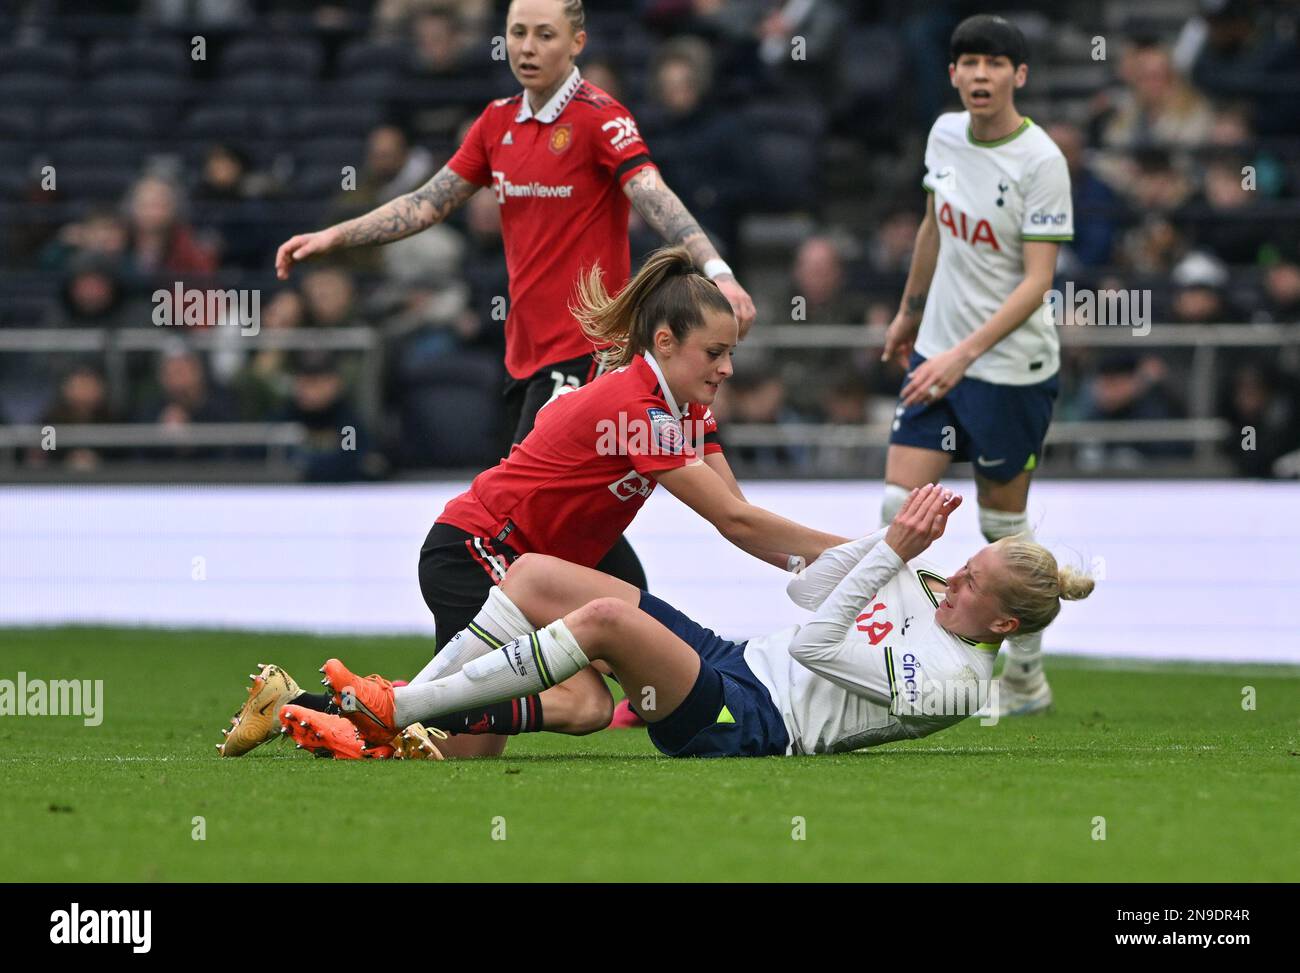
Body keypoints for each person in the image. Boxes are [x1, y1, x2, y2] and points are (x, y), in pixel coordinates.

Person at [220, 247, 839, 759]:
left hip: (519, 563)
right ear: (666, 341)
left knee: (479, 746)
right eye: (716, 353)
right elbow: (733, 518)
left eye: (731, 353)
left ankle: (309, 709)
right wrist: (873, 554)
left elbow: (738, 514)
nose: (728, 368)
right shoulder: (637, 408)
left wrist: (805, 563)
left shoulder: (684, 407)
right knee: (578, 705)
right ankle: (345, 714)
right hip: (481, 550)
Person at [273, 0, 756, 596]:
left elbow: (652, 194)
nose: (527, 47)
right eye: (517, 33)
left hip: (584, 357)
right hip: (522, 360)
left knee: (529, 520)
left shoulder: (600, 119)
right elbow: (430, 201)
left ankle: (483, 671)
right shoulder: (496, 122)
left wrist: (718, 270)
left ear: (576, 41)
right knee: (564, 523)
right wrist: (336, 235)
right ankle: (641, 654)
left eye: (544, 34)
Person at [279, 484, 1094, 760]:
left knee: (601, 618)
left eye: (972, 584)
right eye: (964, 567)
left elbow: (817, 644)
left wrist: (889, 551)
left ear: (1005, 624)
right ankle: (399, 710)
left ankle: (398, 708)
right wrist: (886, 553)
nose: (953, 582)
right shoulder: (931, 586)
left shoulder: (957, 686)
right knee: (535, 575)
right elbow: (805, 597)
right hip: (733, 658)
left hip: (749, 722)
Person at [879, 15, 1073, 716]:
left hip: (1010, 369)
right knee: (895, 510)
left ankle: (1023, 669)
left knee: (1001, 529)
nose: (981, 75)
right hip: (938, 354)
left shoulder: (1041, 161)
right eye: (969, 62)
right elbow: (934, 225)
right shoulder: (944, 134)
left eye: (996, 63)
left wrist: (965, 355)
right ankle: (921, 656)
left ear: (1019, 76)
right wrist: (909, 312)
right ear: (953, 73)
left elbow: (1036, 283)